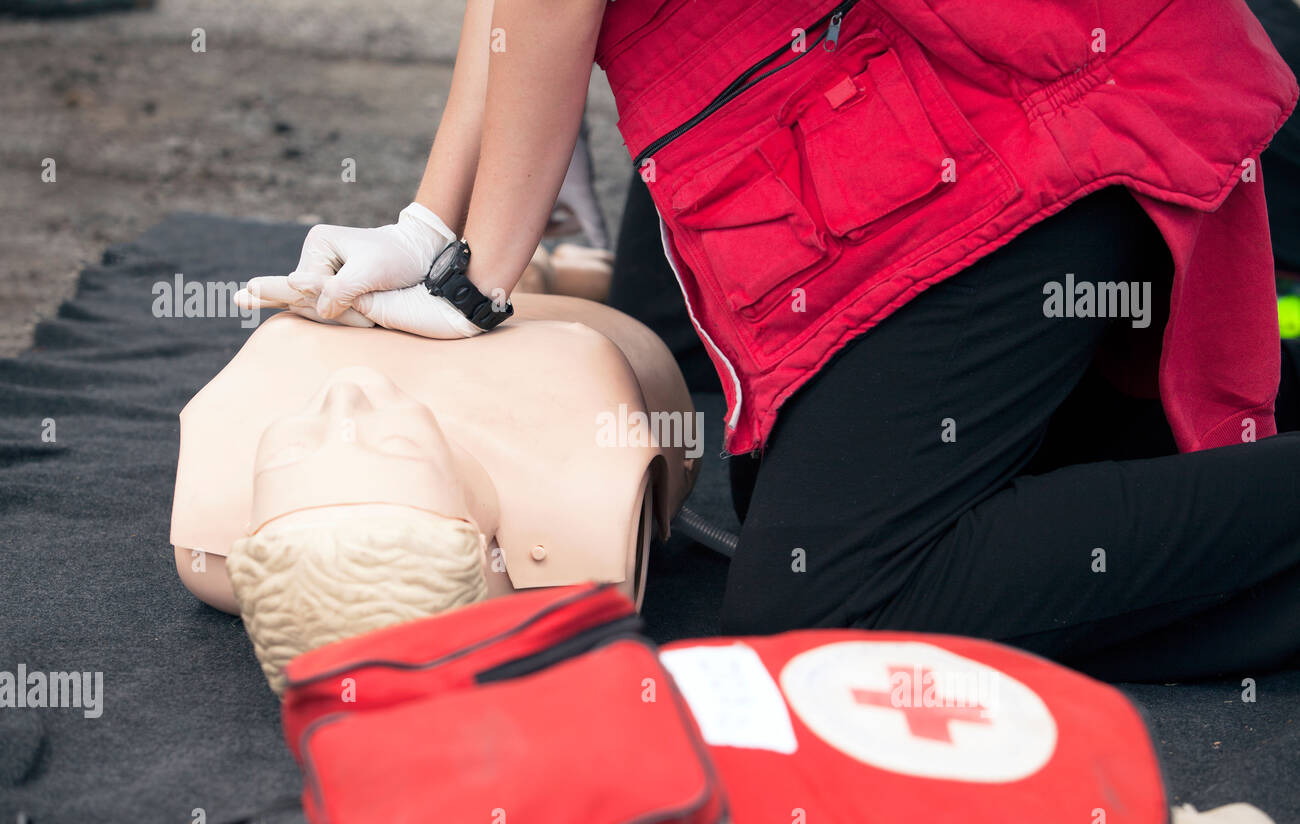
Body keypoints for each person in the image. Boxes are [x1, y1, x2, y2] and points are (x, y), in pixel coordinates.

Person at [254, 0, 1300, 682]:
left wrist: (470, 266)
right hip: (912, 112)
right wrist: (434, 230)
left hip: (1024, 111)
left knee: (821, 605)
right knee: (821, 522)